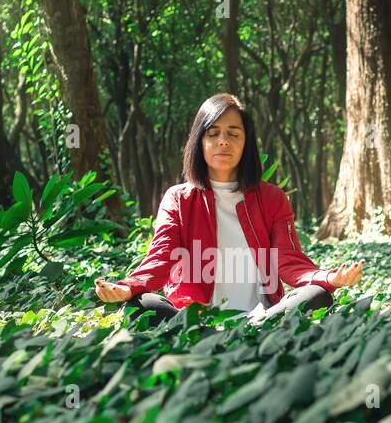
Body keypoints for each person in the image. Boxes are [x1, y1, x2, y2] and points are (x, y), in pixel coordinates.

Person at [94, 93, 364, 326]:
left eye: (233, 134)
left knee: (317, 295)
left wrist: (328, 277)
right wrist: (127, 287)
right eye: (213, 133)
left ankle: (255, 330)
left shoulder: (271, 198)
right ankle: (202, 333)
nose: (223, 141)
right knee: (141, 304)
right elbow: (160, 258)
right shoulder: (178, 199)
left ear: (246, 143)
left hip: (263, 317)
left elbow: (290, 261)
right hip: (194, 318)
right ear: (199, 142)